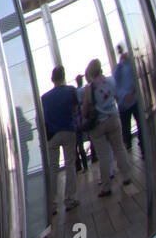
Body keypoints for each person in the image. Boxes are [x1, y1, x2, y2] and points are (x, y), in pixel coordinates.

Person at [82, 58, 133, 197]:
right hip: (113, 118)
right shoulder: (111, 81)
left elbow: (85, 110)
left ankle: (106, 187)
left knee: (104, 156)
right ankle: (127, 176)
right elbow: (115, 97)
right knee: (119, 148)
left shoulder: (89, 88)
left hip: (98, 124)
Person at [41, 65, 81, 213]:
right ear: (63, 76)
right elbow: (76, 110)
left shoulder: (44, 98)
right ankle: (69, 199)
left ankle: (52, 205)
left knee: (53, 168)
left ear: (52, 79)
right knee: (70, 164)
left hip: (52, 135)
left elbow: (44, 118)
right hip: (68, 131)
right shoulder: (71, 91)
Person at [113, 46, 142, 153]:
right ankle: (130, 143)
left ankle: (133, 143)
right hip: (127, 102)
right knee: (128, 126)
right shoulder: (121, 68)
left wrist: (127, 94)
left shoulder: (123, 67)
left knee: (130, 125)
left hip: (127, 102)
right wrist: (128, 94)